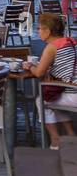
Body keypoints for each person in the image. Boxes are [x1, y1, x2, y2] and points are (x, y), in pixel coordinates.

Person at [24, 13, 77, 147]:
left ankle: (55, 139)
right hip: (72, 90)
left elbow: (39, 73)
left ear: (48, 31)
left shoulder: (52, 47)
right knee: (53, 99)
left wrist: (30, 66)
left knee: (42, 99)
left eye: (39, 28)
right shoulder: (71, 41)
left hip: (73, 94)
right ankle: (71, 135)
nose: (38, 31)